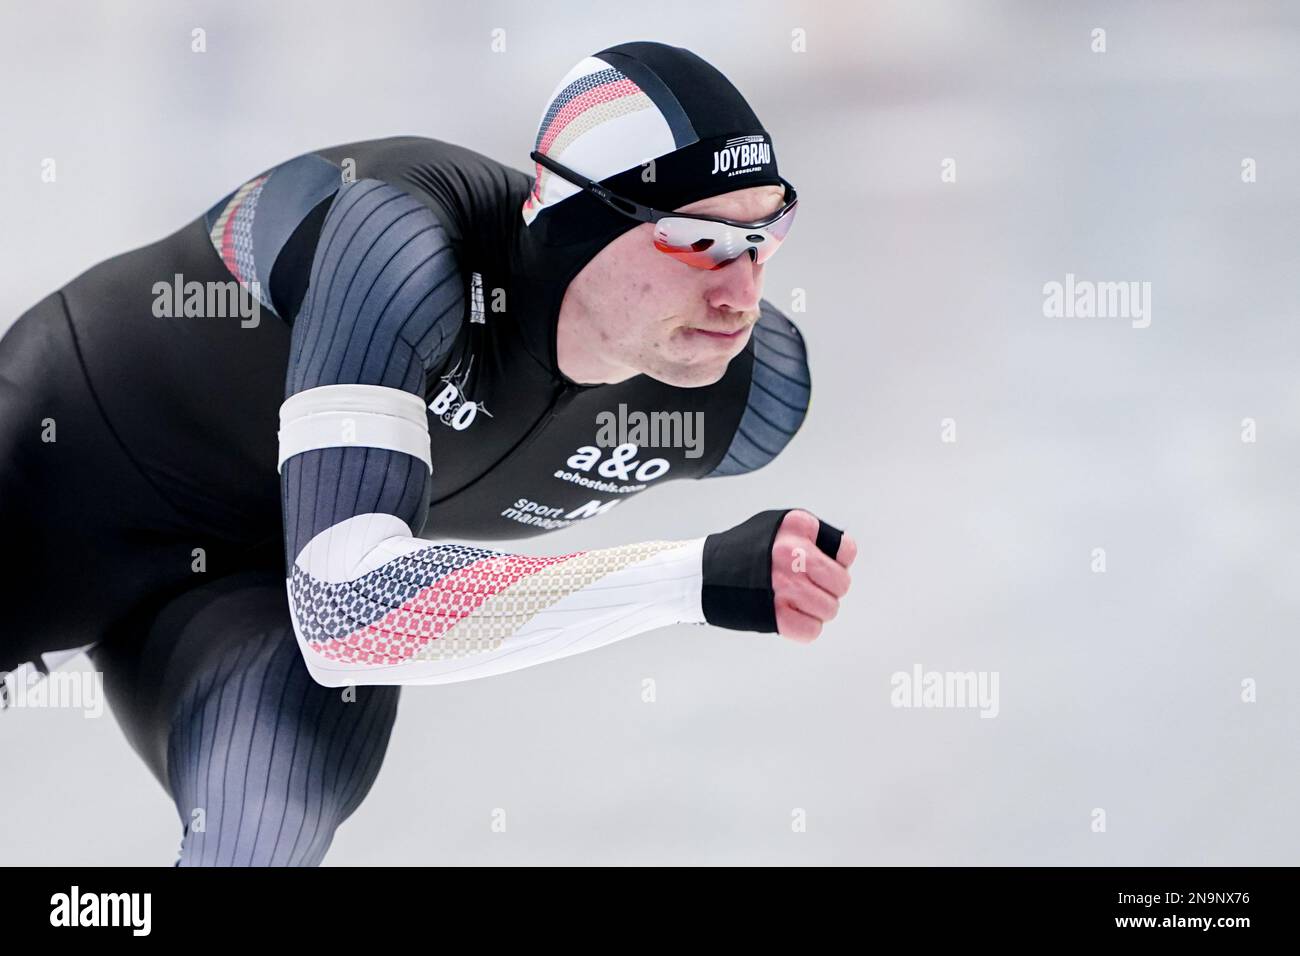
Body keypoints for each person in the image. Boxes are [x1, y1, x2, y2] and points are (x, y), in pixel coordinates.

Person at [0, 40, 856, 865]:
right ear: (578, 221)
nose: (739, 293)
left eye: (762, 236)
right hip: (68, 475)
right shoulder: (402, 239)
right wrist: (692, 579)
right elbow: (351, 606)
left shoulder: (747, 399)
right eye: (699, 238)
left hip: (257, 600)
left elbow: (326, 614)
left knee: (260, 832)